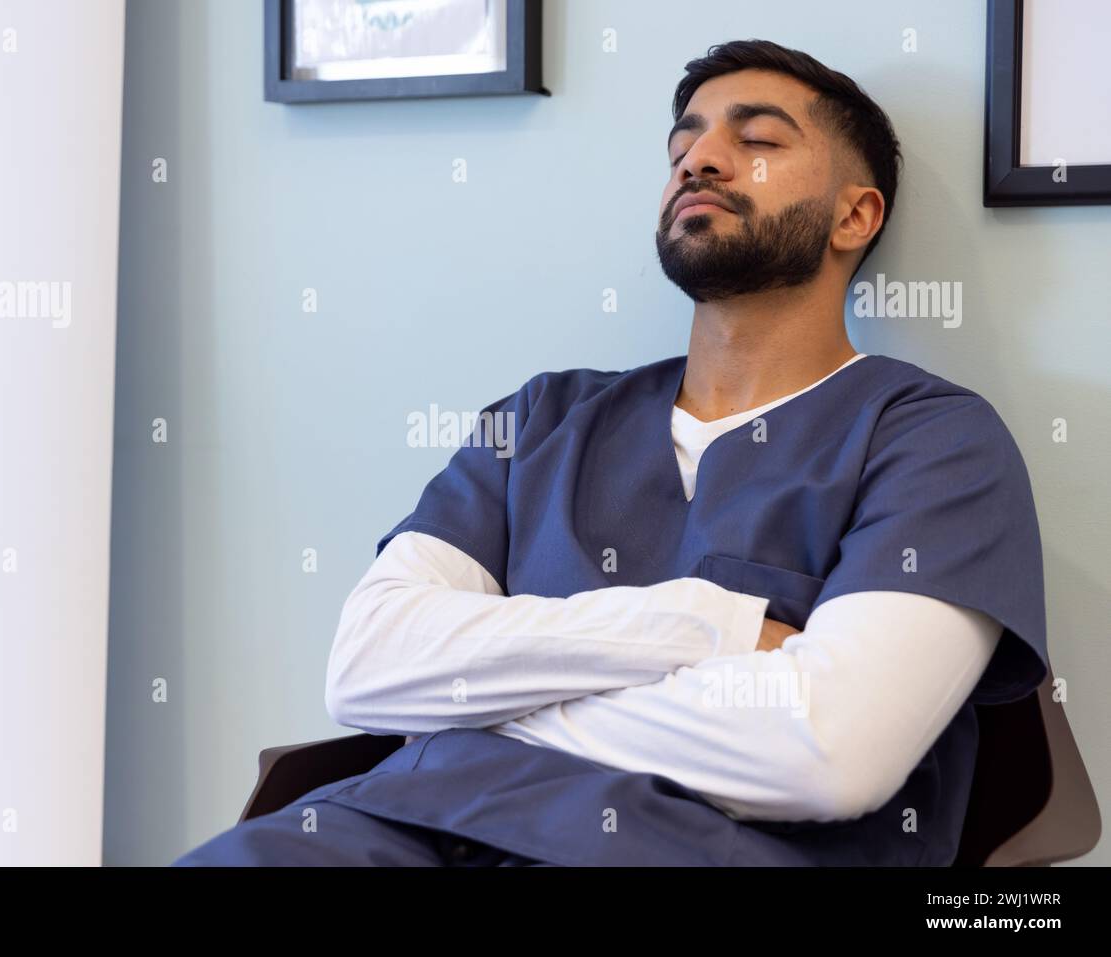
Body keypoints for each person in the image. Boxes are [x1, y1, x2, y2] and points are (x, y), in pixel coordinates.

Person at [175, 38, 1047, 867]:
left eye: (757, 140)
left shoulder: (934, 442)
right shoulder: (542, 416)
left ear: (855, 215)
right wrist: (712, 627)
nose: (699, 161)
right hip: (378, 831)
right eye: (685, 143)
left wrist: (481, 708)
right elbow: (367, 662)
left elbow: (827, 750)